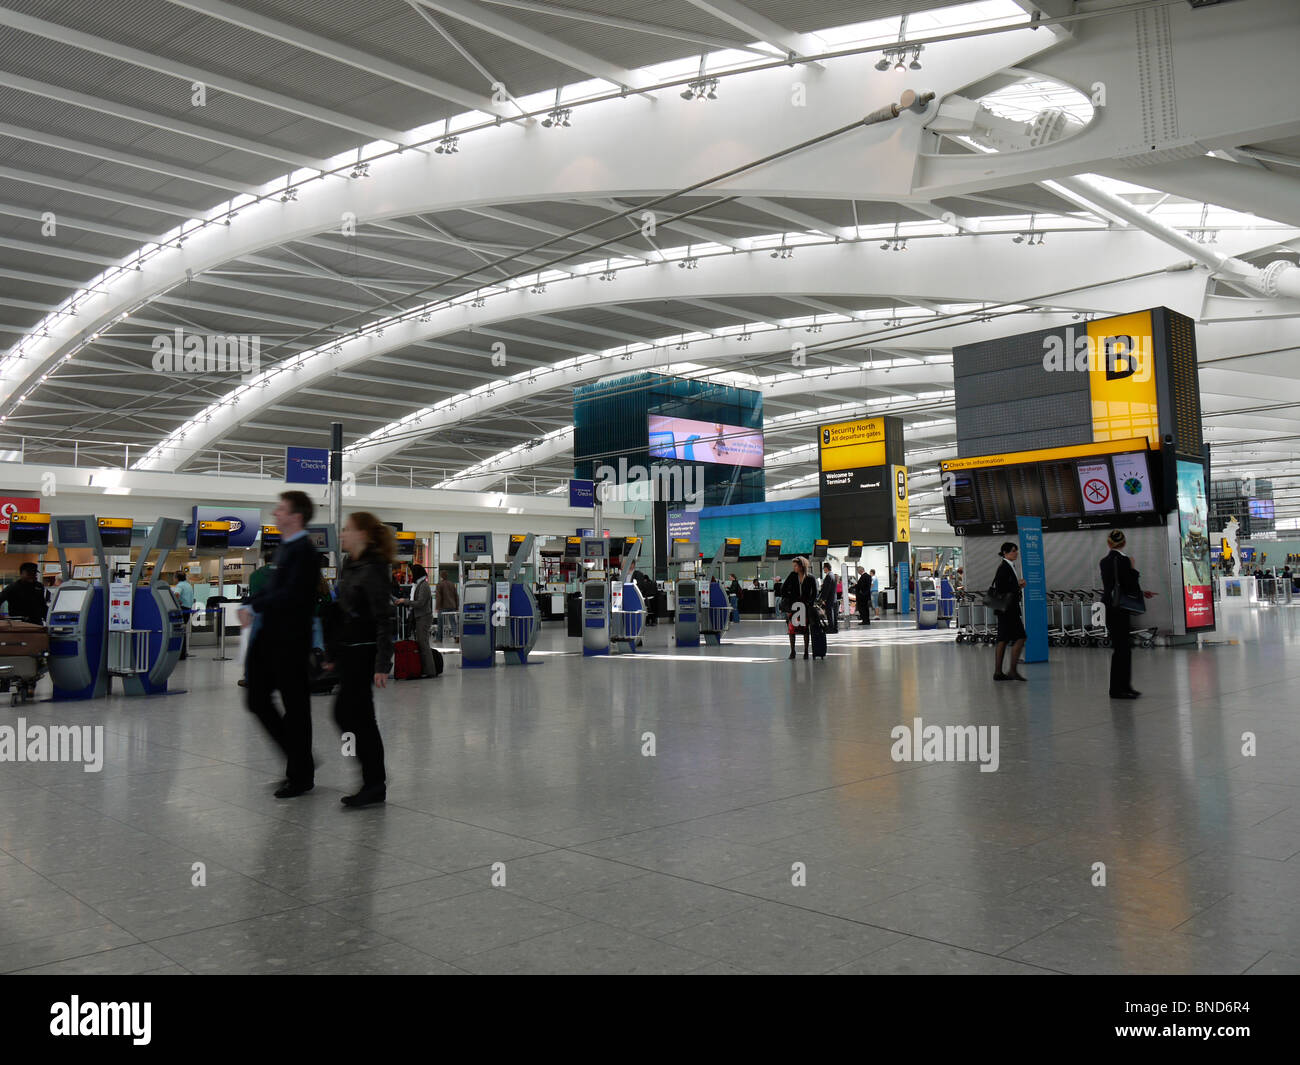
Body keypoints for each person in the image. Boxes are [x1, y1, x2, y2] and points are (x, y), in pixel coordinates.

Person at [240, 491, 321, 799]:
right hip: (272, 639)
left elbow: (291, 595)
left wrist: (256, 607)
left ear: (296, 516)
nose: (275, 513)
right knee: (258, 700)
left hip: (289, 641)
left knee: (295, 707)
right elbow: (275, 588)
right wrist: (251, 603)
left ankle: (300, 773)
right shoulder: (286, 549)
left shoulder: (304, 552)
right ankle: (300, 763)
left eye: (281, 509)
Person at [326, 512, 393, 807]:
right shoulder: (351, 565)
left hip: (364, 652)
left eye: (347, 529)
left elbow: (384, 619)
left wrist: (382, 664)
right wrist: (332, 653)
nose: (342, 534)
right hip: (349, 650)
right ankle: (373, 780)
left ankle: (373, 781)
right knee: (354, 716)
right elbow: (343, 613)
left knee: (352, 715)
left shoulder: (374, 569)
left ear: (363, 534)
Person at [1100, 529, 1154, 699]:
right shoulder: (1124, 560)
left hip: (1110, 605)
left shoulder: (1104, 561)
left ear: (1109, 543)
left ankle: (1123, 686)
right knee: (1123, 648)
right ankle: (1119, 689)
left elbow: (1115, 584)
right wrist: (1133, 567)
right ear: (1123, 543)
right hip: (1120, 608)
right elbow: (1129, 583)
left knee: (1121, 647)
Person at [992, 542, 1027, 682]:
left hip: (1005, 609)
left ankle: (999, 672)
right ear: (1005, 553)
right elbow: (1002, 588)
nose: (1016, 553)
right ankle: (1011, 670)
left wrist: (1017, 586)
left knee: (1003, 639)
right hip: (1008, 609)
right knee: (1020, 637)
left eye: (1016, 550)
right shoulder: (1004, 568)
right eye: (1013, 551)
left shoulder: (1008, 566)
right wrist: (1017, 585)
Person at [779, 556, 817, 660]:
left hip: (805, 606)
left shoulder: (810, 578)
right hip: (794, 606)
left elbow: (814, 593)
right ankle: (793, 651)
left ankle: (805, 651)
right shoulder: (792, 576)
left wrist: (810, 602)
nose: (794, 567)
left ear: (801, 566)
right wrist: (790, 598)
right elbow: (783, 589)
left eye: (796, 565)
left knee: (805, 629)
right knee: (792, 629)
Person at [409, 563, 438, 678]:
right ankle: (426, 669)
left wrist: (406, 602)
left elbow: (420, 603)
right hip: (421, 617)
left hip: (424, 618)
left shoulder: (424, 586)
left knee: (424, 644)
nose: (411, 576)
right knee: (422, 643)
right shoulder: (420, 585)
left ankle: (430, 671)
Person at [173, 571, 195, 659]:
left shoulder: (180, 585)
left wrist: (176, 601)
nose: (173, 579)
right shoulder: (188, 585)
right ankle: (183, 653)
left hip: (182, 610)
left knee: (178, 631)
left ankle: (180, 653)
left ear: (177, 578)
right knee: (183, 631)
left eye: (174, 577)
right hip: (188, 610)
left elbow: (176, 594)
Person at [435, 569, 459, 643]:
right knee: (453, 622)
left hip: (443, 607)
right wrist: (457, 606)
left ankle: (439, 639)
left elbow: (439, 597)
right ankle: (456, 636)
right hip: (452, 606)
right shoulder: (452, 584)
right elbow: (456, 596)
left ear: (441, 576)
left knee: (440, 623)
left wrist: (437, 607)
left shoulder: (439, 584)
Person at [819, 561, 838, 634]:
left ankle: (831, 628)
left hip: (829, 598)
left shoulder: (828, 576)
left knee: (830, 614)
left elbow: (827, 589)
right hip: (833, 598)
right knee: (833, 614)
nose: (823, 570)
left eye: (824, 568)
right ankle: (834, 628)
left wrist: (824, 599)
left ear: (826, 568)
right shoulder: (832, 575)